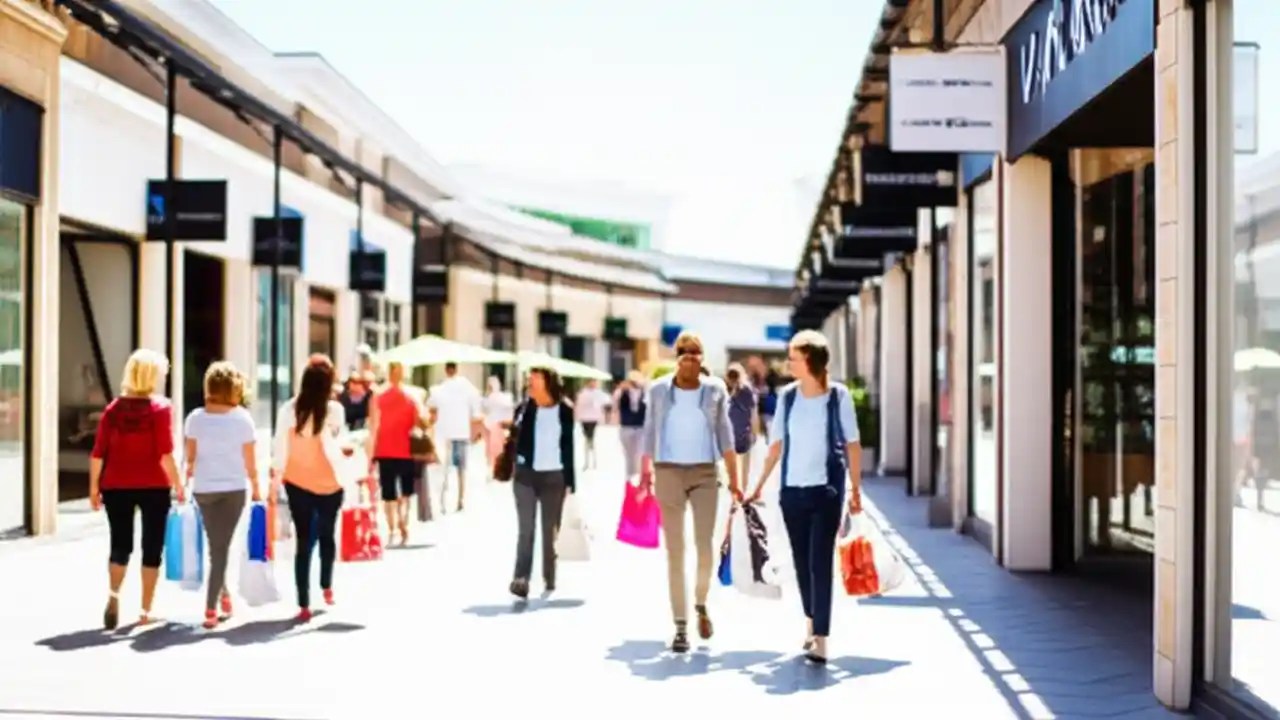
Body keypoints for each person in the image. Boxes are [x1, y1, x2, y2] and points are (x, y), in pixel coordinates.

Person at [747, 330, 862, 664]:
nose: (788, 363)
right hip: (792, 492)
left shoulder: (837, 397)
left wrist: (856, 490)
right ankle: (811, 622)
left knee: (820, 562)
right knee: (801, 563)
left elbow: (852, 445)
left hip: (826, 491)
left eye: (793, 358)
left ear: (810, 361)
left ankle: (822, 638)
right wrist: (757, 487)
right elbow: (776, 446)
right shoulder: (788, 397)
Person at [640, 331, 740, 653]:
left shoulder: (715, 390)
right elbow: (649, 431)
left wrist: (735, 479)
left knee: (704, 547)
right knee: (675, 551)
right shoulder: (658, 391)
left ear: (702, 357)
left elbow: (725, 433)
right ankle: (680, 624)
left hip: (705, 473)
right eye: (683, 351)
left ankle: (700, 602)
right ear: (675, 356)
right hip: (667, 471)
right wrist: (645, 472)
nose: (689, 357)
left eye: (695, 352)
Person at [88, 349, 184, 629]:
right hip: (154, 485)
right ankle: (145, 610)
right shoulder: (161, 409)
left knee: (120, 544)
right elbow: (165, 454)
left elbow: (98, 453)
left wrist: (94, 488)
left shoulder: (112, 410)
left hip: (116, 485)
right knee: (152, 547)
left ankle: (114, 597)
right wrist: (178, 485)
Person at [183, 361, 261, 629]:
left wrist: (184, 482)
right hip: (232, 490)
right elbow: (250, 462)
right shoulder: (242, 419)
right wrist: (257, 486)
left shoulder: (194, 418)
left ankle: (223, 595)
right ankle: (210, 608)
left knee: (217, 547)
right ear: (234, 389)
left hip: (203, 489)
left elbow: (190, 459)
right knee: (220, 548)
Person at [272, 354, 349, 622]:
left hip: (297, 482)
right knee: (327, 535)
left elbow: (279, 446)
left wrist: (275, 475)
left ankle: (303, 603)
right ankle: (326, 585)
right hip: (330, 484)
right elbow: (339, 443)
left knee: (304, 540)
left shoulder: (288, 410)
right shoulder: (334, 411)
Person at [508, 366, 576, 599]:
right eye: (529, 379)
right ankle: (521, 578)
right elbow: (515, 437)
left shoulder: (565, 410)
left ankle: (550, 575)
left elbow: (568, 446)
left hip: (554, 477)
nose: (530, 382)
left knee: (550, 531)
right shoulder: (525, 408)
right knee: (525, 530)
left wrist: (571, 482)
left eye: (535, 378)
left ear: (548, 382)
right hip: (525, 475)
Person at [367, 361, 424, 546]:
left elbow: (373, 426)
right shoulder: (412, 397)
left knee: (388, 492)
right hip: (405, 450)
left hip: (384, 450)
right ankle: (403, 520)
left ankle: (391, 529)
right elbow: (419, 424)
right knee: (406, 491)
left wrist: (370, 454)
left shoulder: (378, 396)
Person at [427, 361, 482, 512]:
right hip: (461, 432)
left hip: (444, 433)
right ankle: (460, 499)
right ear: (456, 369)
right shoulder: (467, 387)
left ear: (446, 370)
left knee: (444, 468)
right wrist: (476, 428)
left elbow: (431, 407)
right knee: (461, 469)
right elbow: (476, 407)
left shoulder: (439, 388)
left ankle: (443, 500)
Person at [725, 362, 758, 484]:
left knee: (731, 467)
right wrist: (755, 432)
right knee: (745, 466)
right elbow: (753, 412)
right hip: (744, 431)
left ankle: (733, 493)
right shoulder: (747, 390)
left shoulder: (725, 389)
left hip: (729, 431)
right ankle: (742, 491)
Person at [613, 371, 647, 480]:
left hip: (641, 427)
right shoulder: (621, 392)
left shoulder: (645, 393)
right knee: (628, 454)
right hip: (626, 426)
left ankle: (637, 476)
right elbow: (614, 405)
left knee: (640, 453)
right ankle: (629, 476)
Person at [482, 376, 515, 476]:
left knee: (493, 449)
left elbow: (485, 408)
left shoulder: (491, 398)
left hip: (493, 426)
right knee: (499, 448)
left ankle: (495, 468)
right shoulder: (504, 397)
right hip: (499, 426)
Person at [575, 378, 610, 470]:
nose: (593, 384)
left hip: (594, 418)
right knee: (587, 438)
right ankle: (587, 460)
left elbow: (606, 402)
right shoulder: (583, 393)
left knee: (592, 438)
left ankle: (593, 460)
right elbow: (579, 405)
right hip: (585, 418)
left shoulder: (599, 393)